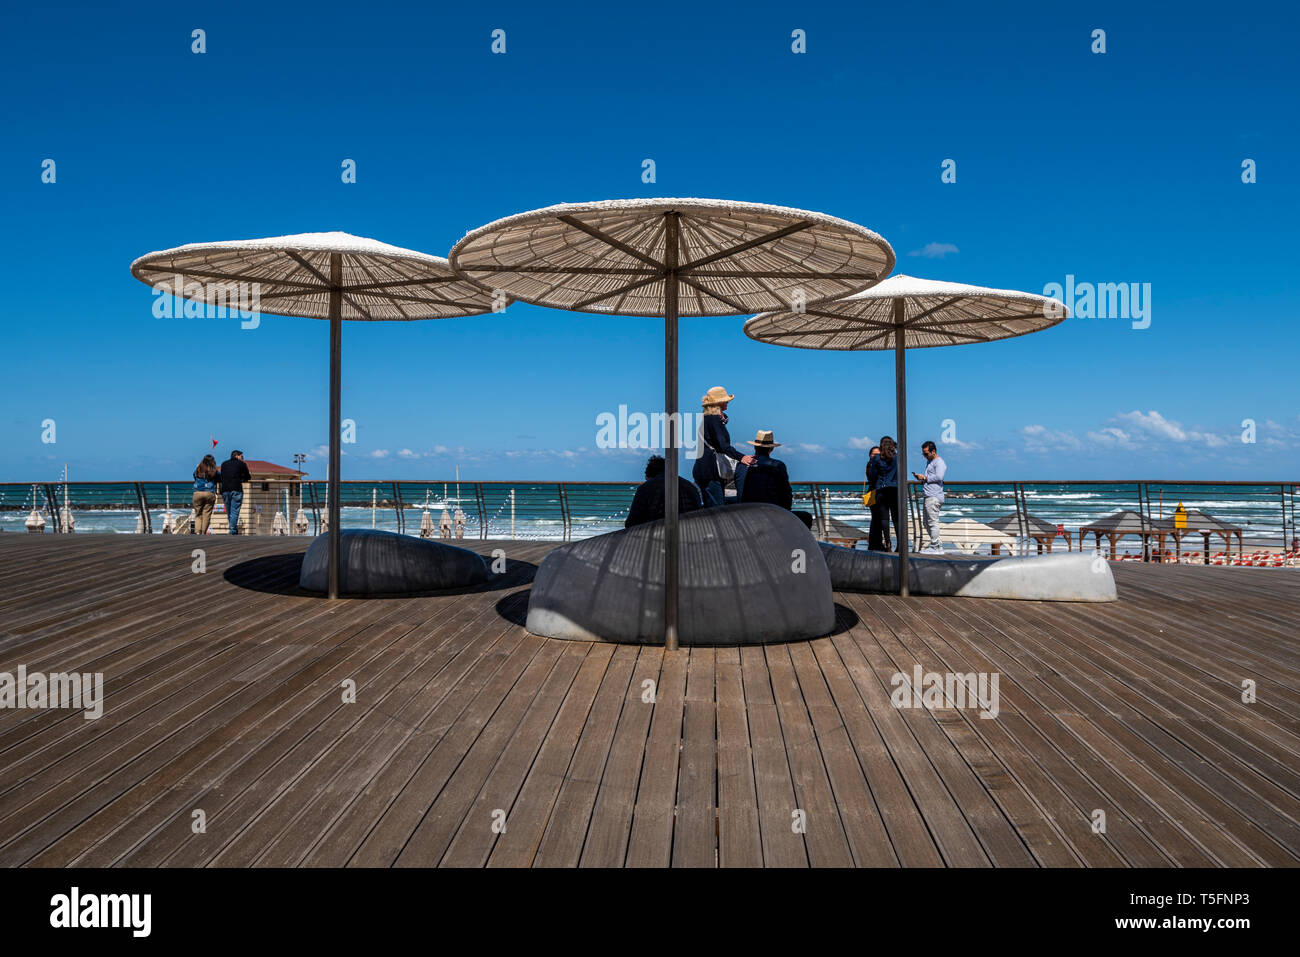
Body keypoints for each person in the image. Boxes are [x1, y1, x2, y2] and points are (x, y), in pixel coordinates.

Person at [692, 385, 755, 507]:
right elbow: (722, 446)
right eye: (725, 400)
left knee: (712, 508)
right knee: (717, 510)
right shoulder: (713, 419)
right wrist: (742, 457)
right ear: (719, 402)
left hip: (704, 470)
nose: (727, 402)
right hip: (710, 471)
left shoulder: (707, 418)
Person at [739, 430, 813, 529]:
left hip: (745, 512)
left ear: (755, 447)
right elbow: (786, 494)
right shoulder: (777, 465)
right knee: (806, 517)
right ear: (771, 448)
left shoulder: (742, 465)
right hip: (771, 513)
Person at [626, 455, 704, 528]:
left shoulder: (645, 488)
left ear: (649, 475)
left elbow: (631, 523)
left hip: (658, 536)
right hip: (690, 533)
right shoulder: (691, 487)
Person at [912, 440, 947, 553]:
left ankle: (935, 546)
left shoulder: (939, 462)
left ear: (933, 451)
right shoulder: (930, 462)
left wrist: (924, 478)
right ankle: (936, 544)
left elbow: (939, 477)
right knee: (926, 522)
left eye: (926, 454)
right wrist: (922, 479)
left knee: (932, 522)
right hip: (928, 495)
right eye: (923, 454)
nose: (924, 456)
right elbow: (931, 477)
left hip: (934, 495)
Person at [874, 436, 900, 550]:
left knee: (884, 519)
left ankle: (888, 543)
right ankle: (900, 544)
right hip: (894, 489)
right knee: (896, 518)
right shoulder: (897, 458)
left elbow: (872, 474)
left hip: (881, 489)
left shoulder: (877, 458)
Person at [866, 444, 892, 551]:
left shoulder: (879, 465)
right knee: (877, 519)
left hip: (879, 494)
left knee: (879, 519)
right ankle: (875, 543)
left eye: (878, 454)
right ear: (870, 455)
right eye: (874, 454)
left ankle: (877, 543)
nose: (876, 456)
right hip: (873, 494)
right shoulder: (871, 465)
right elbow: (872, 478)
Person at [219, 450, 251, 534]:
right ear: (237, 456)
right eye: (242, 456)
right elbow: (248, 476)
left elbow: (222, 477)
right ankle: (232, 530)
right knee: (235, 511)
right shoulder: (241, 464)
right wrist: (241, 478)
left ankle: (233, 529)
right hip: (236, 488)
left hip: (225, 489)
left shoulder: (224, 464)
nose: (243, 458)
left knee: (229, 511)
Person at [191, 454, 220, 535]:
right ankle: (203, 533)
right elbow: (220, 478)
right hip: (209, 492)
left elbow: (194, 476)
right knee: (206, 514)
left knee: (198, 514)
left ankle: (197, 532)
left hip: (198, 492)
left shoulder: (198, 469)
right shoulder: (214, 471)